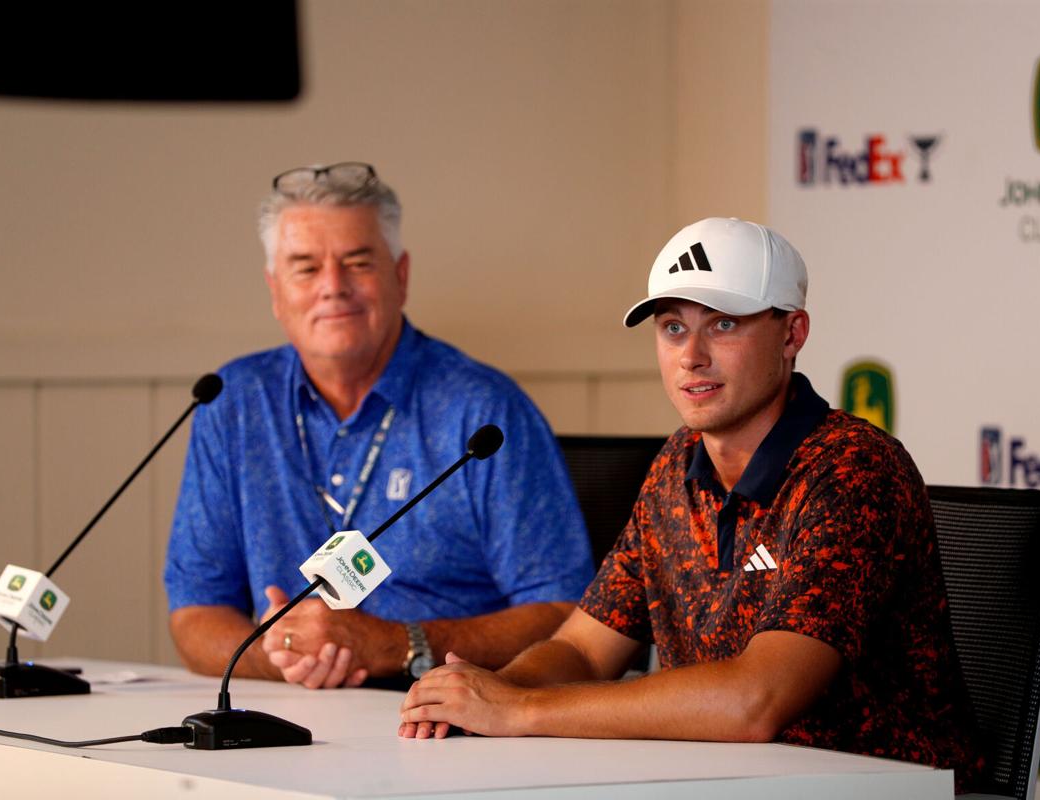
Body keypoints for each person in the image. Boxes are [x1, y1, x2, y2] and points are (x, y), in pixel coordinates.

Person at [399, 218, 983, 790]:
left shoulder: (852, 468)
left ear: (792, 334)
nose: (691, 356)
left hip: (878, 787)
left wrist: (522, 713)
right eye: (673, 328)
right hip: (718, 783)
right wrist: (488, 693)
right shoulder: (678, 461)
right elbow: (581, 647)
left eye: (724, 324)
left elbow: (757, 700)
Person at [164, 162, 593, 690]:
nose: (333, 288)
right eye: (305, 267)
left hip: (449, 724)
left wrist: (396, 644)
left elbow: (566, 613)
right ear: (276, 291)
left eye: (358, 262)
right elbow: (194, 613)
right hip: (284, 717)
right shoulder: (232, 403)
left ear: (401, 276)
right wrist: (284, 657)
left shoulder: (484, 411)